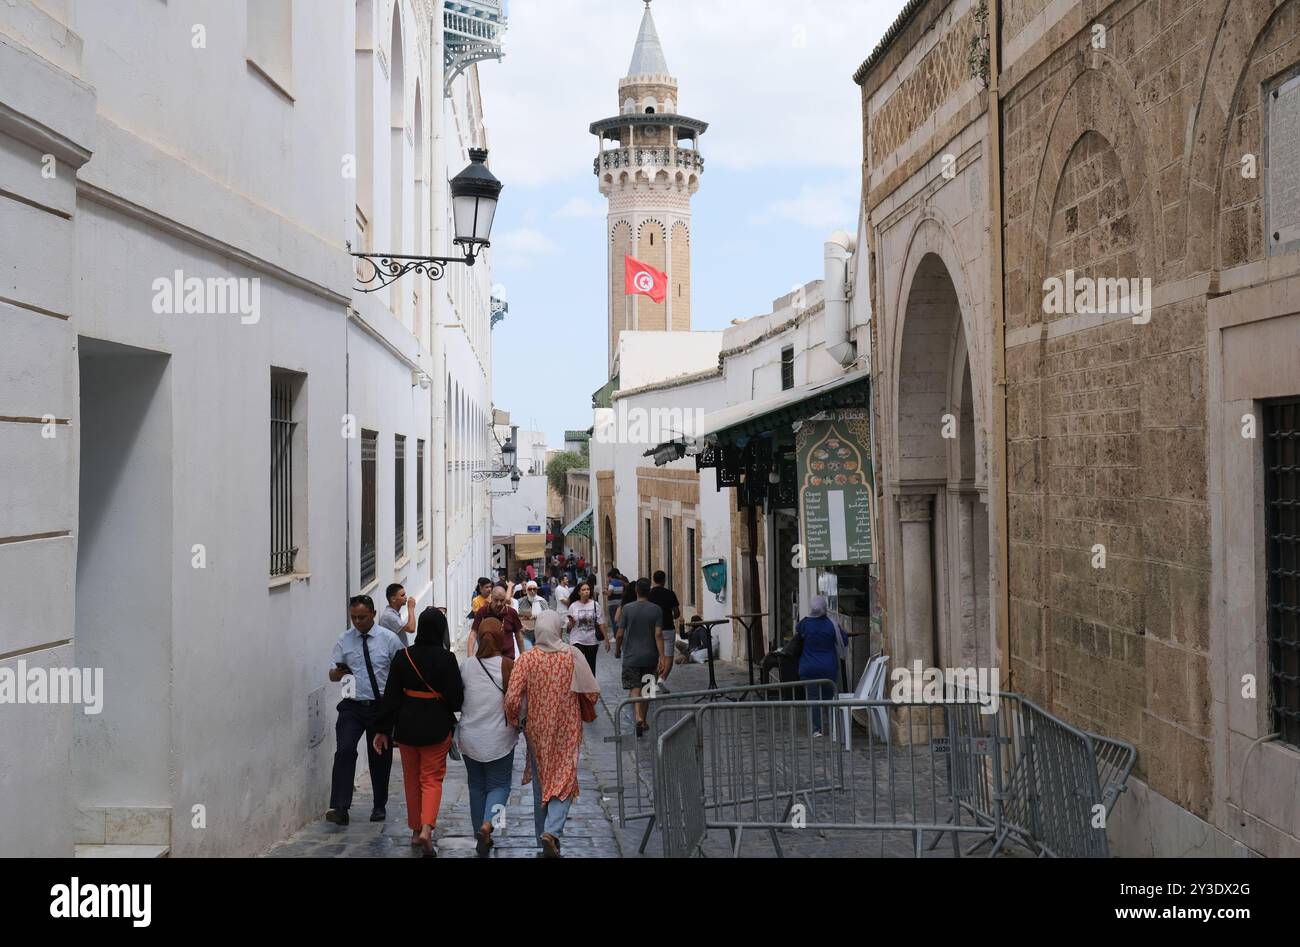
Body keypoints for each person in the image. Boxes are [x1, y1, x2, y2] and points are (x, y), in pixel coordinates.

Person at [505, 611, 600, 857]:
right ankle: (552, 832)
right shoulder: (572, 654)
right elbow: (592, 692)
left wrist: (516, 721)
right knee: (565, 779)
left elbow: (512, 698)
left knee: (541, 785)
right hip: (567, 728)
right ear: (558, 629)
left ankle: (544, 839)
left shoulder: (526, 660)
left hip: (537, 731)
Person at [372, 608, 463, 856]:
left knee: (412, 779)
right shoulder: (447, 659)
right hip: (436, 726)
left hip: (407, 727)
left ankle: (414, 831)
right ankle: (426, 828)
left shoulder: (403, 657)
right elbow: (456, 701)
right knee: (432, 778)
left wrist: (381, 730)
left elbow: (390, 697)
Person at [326, 595, 403, 826]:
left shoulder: (389, 640)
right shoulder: (344, 640)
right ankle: (340, 807)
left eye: (362, 617)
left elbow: (400, 671)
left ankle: (379, 805)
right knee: (345, 751)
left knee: (380, 756)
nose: (357, 622)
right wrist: (338, 673)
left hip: (380, 706)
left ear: (373, 614)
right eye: (354, 618)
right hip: (352, 705)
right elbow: (331, 674)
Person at [457, 617, 518, 857]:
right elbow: (516, 702)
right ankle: (488, 824)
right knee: (500, 785)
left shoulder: (467, 665)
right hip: (500, 738)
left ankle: (479, 832)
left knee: (476, 786)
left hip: (470, 737)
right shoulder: (507, 664)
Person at [614, 578, 669, 737]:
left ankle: (638, 716)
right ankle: (643, 720)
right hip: (650, 657)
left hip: (631, 656)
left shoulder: (627, 609)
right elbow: (658, 634)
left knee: (634, 689)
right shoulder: (656, 610)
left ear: (636, 591)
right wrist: (662, 657)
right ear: (649, 591)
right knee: (648, 690)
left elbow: (619, 634)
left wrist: (618, 650)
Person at [797, 596, 849, 737]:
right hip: (828, 668)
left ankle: (817, 729)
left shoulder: (805, 624)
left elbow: (798, 632)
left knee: (813, 698)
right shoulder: (831, 624)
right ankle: (833, 727)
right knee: (829, 698)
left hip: (808, 668)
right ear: (825, 608)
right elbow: (844, 640)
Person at [469, 583, 524, 659]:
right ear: (491, 598)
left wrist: (523, 657)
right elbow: (473, 634)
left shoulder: (511, 612)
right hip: (487, 658)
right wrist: (470, 656)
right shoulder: (482, 612)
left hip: (507, 658)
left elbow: (519, 636)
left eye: (502, 600)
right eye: (496, 600)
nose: (499, 603)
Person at [566, 579, 608, 674]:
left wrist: (606, 639)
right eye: (583, 589)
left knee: (591, 667)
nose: (586, 591)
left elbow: (601, 622)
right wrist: (571, 622)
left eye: (588, 589)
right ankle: (580, 686)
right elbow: (568, 629)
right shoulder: (573, 606)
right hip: (577, 640)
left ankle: (591, 687)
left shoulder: (595, 605)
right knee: (578, 666)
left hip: (592, 640)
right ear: (579, 592)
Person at [646, 570, 681, 682]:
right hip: (668, 627)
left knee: (653, 657)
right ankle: (662, 678)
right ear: (664, 580)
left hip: (652, 629)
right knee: (668, 655)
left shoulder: (648, 594)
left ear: (653, 579)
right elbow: (676, 613)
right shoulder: (670, 593)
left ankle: (654, 680)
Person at [517, 580, 548, 651]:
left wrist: (537, 617)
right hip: (525, 633)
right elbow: (515, 614)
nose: (532, 591)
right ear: (526, 590)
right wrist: (524, 617)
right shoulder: (520, 601)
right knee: (528, 651)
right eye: (530, 589)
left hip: (539, 633)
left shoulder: (542, 601)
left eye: (534, 589)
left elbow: (547, 616)